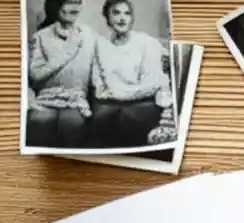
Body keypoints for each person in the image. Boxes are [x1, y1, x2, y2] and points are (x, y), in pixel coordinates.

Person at [90, 0, 173, 147]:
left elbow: (152, 84)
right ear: (107, 17)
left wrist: (118, 93)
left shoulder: (147, 43)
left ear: (132, 18)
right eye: (116, 13)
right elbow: (99, 88)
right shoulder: (100, 44)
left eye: (127, 14)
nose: (122, 18)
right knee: (103, 118)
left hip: (145, 103)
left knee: (127, 118)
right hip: (112, 102)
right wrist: (119, 93)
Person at [25, 0, 97, 147]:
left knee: (72, 124)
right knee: (39, 120)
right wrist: (67, 52)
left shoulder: (89, 35)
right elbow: (35, 75)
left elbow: (96, 68)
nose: (70, 12)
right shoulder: (41, 36)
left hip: (76, 99)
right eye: (66, 7)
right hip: (46, 98)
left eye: (75, 6)